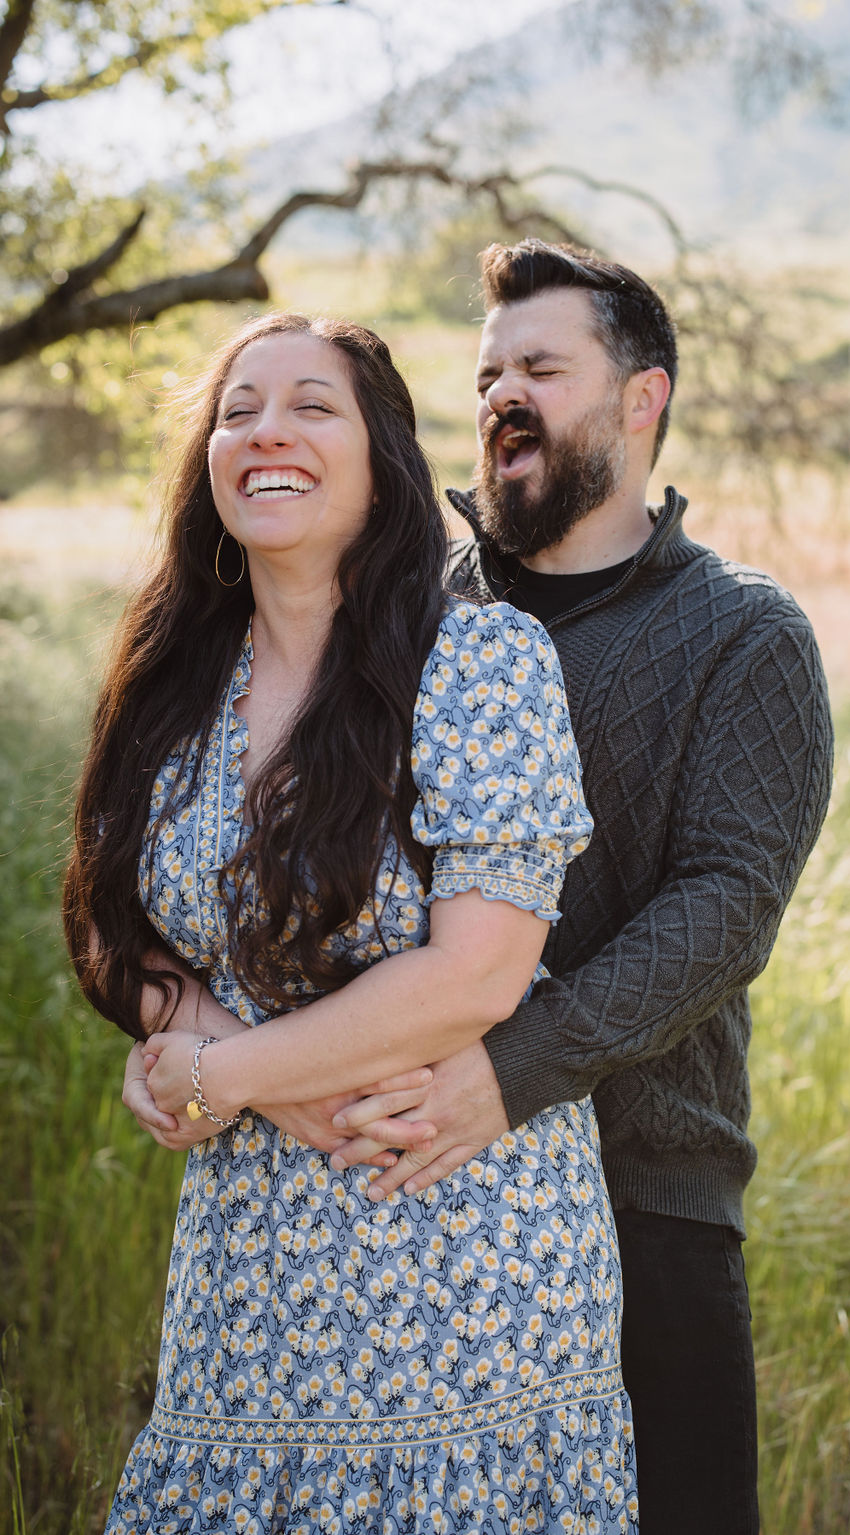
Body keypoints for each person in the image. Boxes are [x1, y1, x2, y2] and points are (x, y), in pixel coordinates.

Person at [285, 241, 835, 1533]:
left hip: (651, 1201)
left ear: (642, 399)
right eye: (486, 374)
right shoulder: (414, 616)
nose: (500, 397)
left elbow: (724, 912)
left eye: (540, 366)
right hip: (408, 1188)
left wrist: (508, 1068)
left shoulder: (744, 633)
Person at [66, 311, 638, 1533]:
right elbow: (119, 931)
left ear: (381, 457)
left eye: (311, 406)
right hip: (247, 1260)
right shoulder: (172, 676)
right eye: (238, 410)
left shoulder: (478, 659)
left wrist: (213, 1069)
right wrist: (220, 1058)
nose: (266, 430)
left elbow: (477, 974)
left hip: (453, 1225)